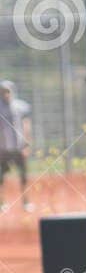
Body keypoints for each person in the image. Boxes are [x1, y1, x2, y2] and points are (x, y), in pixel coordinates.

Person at [0, 81, 34, 213]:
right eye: (3, 91)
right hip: (3, 150)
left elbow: (26, 125)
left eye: (7, 91)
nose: (5, 94)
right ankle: (2, 203)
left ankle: (26, 202)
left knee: (24, 177)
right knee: (1, 178)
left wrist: (26, 144)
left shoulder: (20, 107)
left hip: (19, 148)